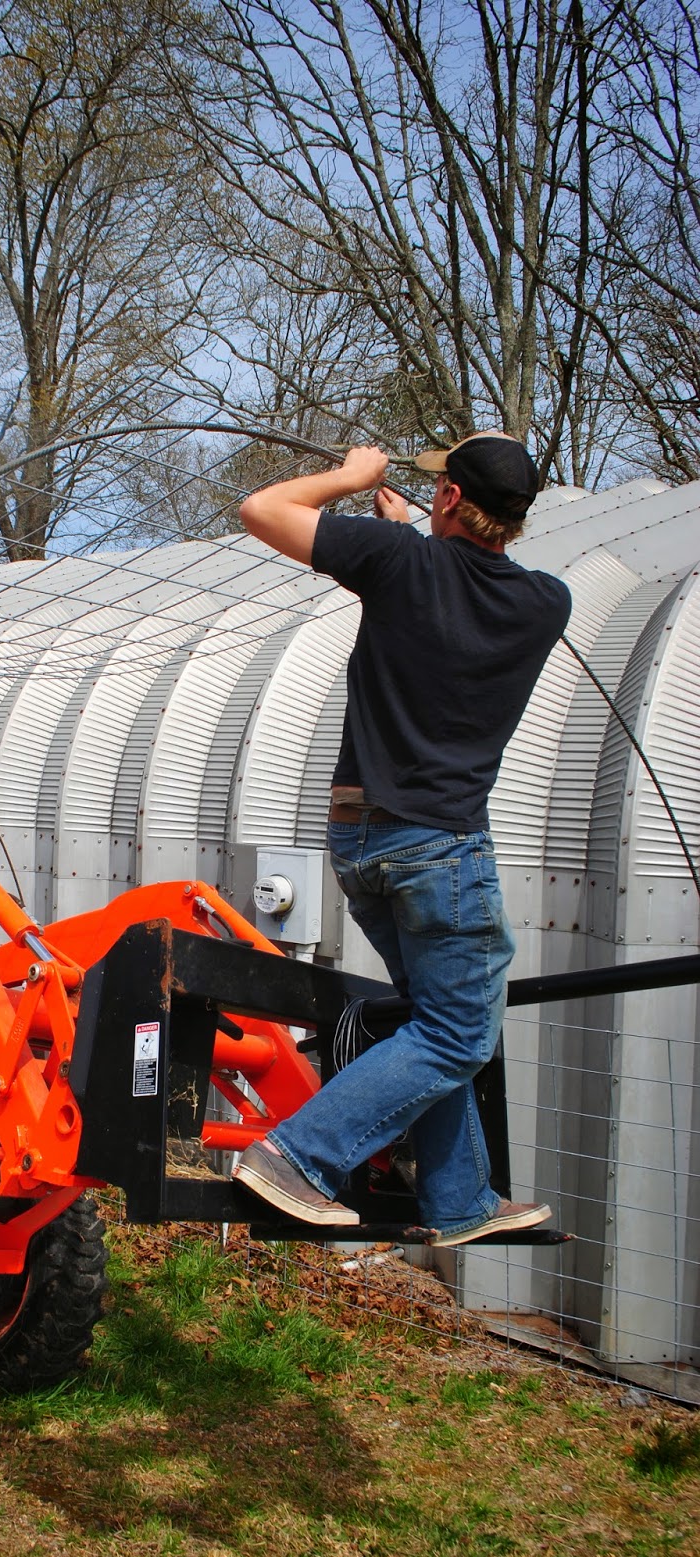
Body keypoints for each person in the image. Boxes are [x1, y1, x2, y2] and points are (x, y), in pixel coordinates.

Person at [233, 433, 572, 1246]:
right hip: (441, 850)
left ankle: (454, 1200)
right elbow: (455, 597)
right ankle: (296, 1159)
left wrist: (352, 478)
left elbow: (263, 509)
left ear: (448, 497)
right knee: (455, 1032)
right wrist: (411, 538)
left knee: (438, 1025)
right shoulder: (545, 602)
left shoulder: (396, 562)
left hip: (360, 839)